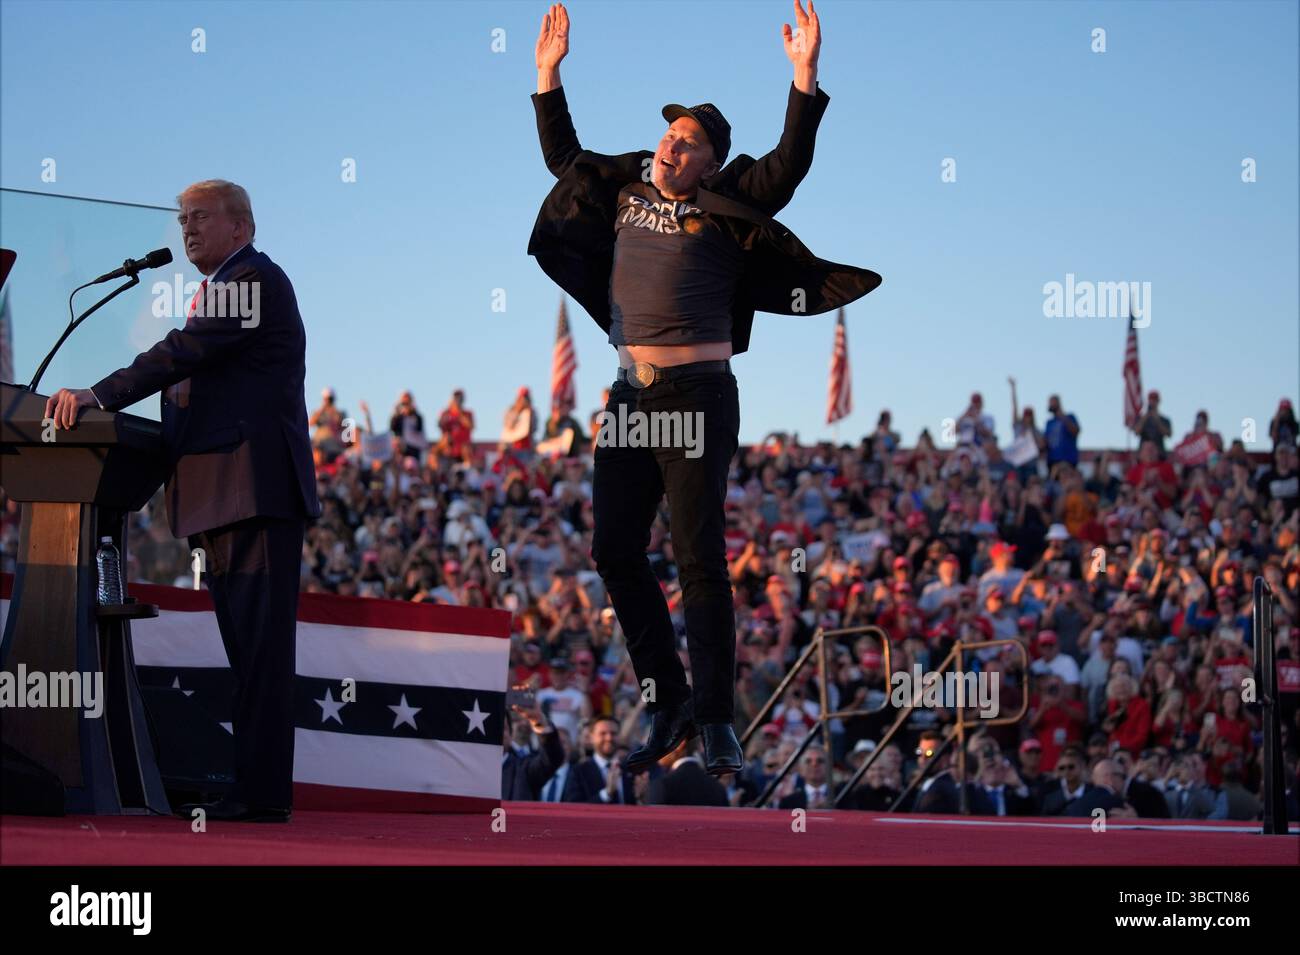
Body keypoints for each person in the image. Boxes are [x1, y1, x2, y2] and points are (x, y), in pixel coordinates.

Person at [528, 1, 879, 776]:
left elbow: (787, 164)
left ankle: (718, 719)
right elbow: (566, 161)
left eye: (687, 140)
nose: (669, 143)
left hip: (696, 397)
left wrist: (805, 77)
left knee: (697, 557)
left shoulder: (730, 203)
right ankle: (670, 700)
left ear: (711, 162)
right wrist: (549, 76)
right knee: (615, 549)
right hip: (629, 397)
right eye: (668, 131)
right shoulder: (623, 191)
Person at [45, 179, 320, 822]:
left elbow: (182, 352)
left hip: (252, 491)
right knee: (248, 651)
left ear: (241, 228)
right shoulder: (224, 286)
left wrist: (98, 394)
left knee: (259, 652)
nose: (187, 227)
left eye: (201, 216)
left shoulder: (251, 280)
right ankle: (258, 790)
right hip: (227, 495)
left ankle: (261, 795)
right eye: (183, 218)